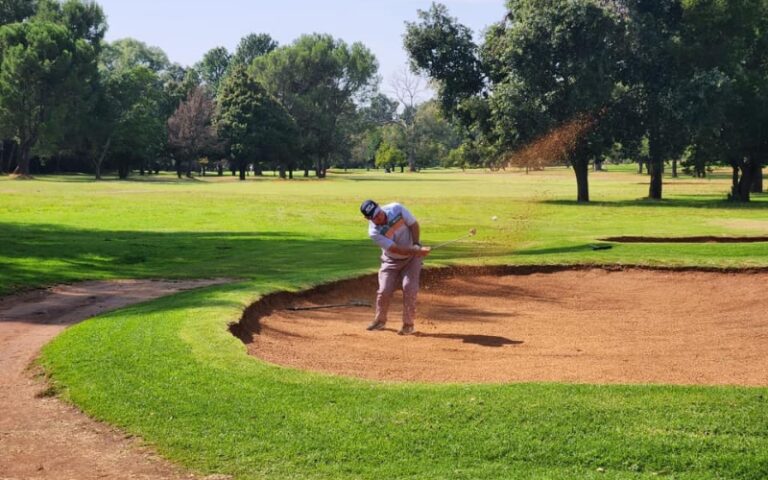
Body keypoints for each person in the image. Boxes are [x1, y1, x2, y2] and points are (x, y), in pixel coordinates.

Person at [360, 199, 431, 335]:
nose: (379, 217)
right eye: (374, 217)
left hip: (412, 259)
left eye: (379, 213)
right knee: (384, 290)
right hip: (391, 260)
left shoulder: (396, 209)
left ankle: (408, 324)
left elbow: (414, 225)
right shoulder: (374, 232)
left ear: (380, 207)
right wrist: (416, 251)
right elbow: (395, 249)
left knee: (409, 288)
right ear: (367, 218)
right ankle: (380, 321)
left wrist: (416, 244)